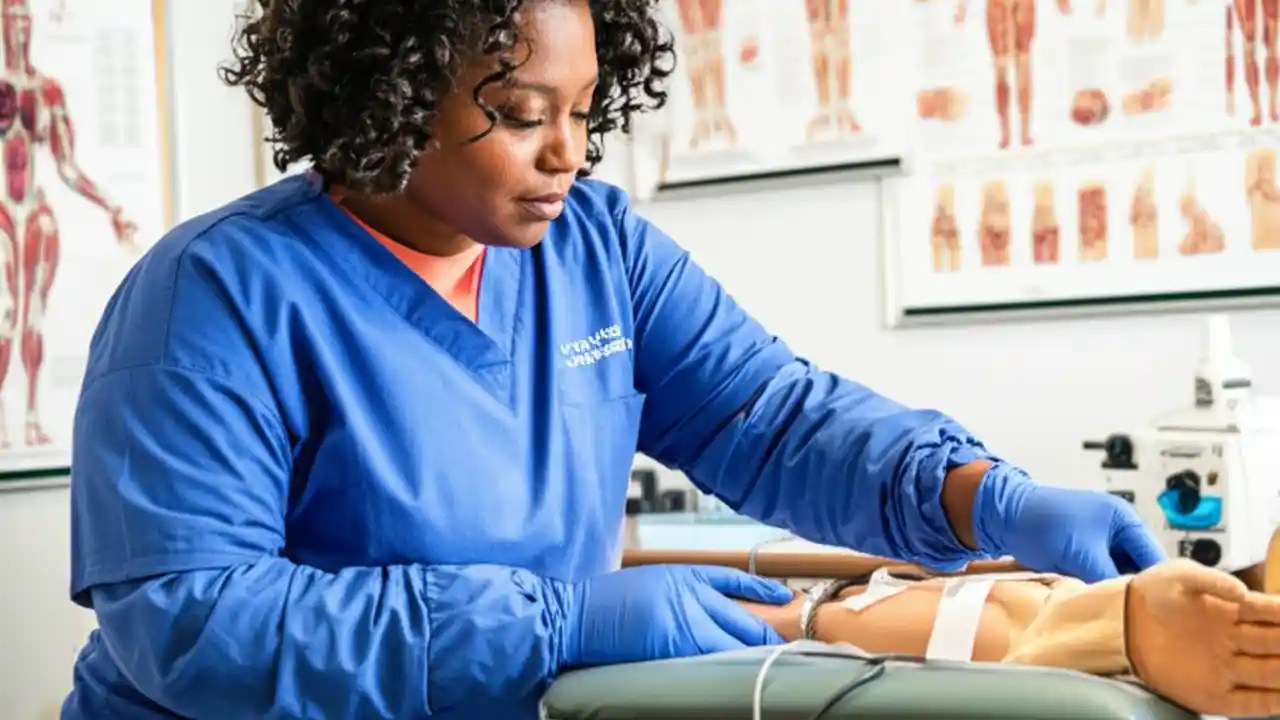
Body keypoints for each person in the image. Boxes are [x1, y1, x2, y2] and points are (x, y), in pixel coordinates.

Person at [61, 1, 1164, 718]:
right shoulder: (212, 299)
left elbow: (770, 417)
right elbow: (194, 621)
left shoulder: (595, 247)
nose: (567, 153)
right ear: (381, 94)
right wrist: (556, 623)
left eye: (585, 110)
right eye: (519, 113)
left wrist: (976, 497)